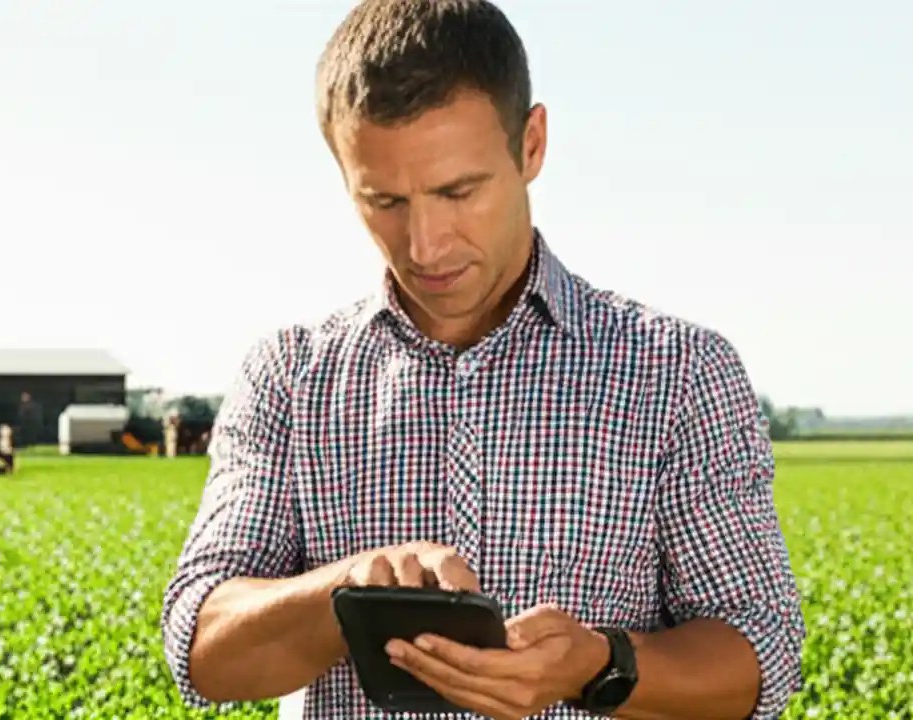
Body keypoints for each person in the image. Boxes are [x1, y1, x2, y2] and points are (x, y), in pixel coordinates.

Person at [160, 3, 805, 719]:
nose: (426, 244)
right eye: (384, 201)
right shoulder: (288, 376)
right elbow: (203, 648)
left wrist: (599, 665)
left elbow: (761, 654)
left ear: (531, 145)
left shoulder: (679, 371)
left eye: (458, 191)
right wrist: (349, 590)